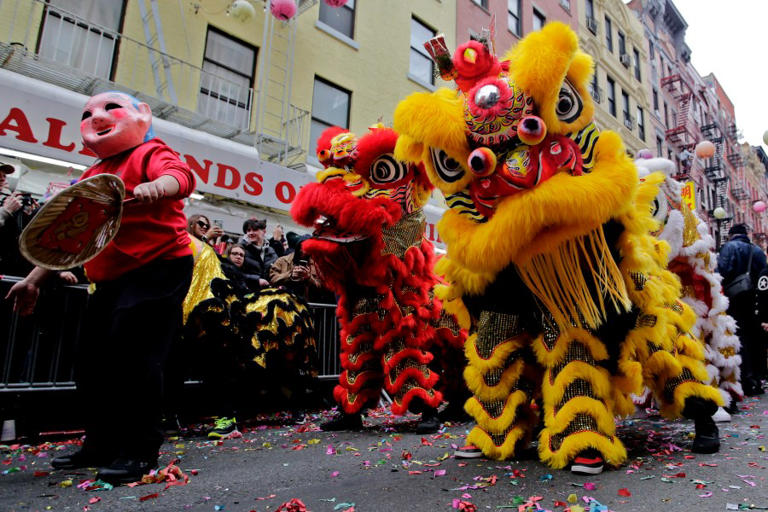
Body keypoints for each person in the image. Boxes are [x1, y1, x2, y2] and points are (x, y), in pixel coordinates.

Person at [6, 91, 196, 484]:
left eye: (110, 108)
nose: (97, 116)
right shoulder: (93, 175)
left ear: (141, 115)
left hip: (159, 266)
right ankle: (100, 442)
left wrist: (157, 187)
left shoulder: (151, 151)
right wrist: (32, 280)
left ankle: (139, 449)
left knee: (138, 356)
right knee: (92, 361)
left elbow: (181, 177)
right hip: (110, 279)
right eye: (88, 112)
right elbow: (68, 236)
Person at [717, 223, 768, 396]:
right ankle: (757, 381)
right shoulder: (758, 251)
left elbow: (720, 272)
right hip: (755, 302)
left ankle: (746, 381)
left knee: (740, 340)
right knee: (755, 340)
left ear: (731, 234)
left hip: (736, 301)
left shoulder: (729, 248)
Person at [0, 165, 38, 277]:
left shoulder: (5, 201)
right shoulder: (5, 207)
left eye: (4, 176)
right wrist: (6, 211)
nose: (2, 179)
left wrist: (29, 214)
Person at [269, 235, 326, 301]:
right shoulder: (282, 261)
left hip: (306, 304)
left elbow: (322, 287)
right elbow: (273, 279)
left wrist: (308, 277)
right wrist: (290, 275)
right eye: (302, 247)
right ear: (298, 247)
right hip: (284, 302)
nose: (304, 251)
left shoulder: (317, 265)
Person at [240, 218, 277, 287]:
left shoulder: (271, 251)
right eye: (248, 230)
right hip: (247, 292)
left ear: (264, 231)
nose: (251, 233)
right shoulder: (241, 249)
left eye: (255, 230)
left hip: (267, 293)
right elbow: (234, 272)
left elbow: (277, 271)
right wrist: (256, 280)